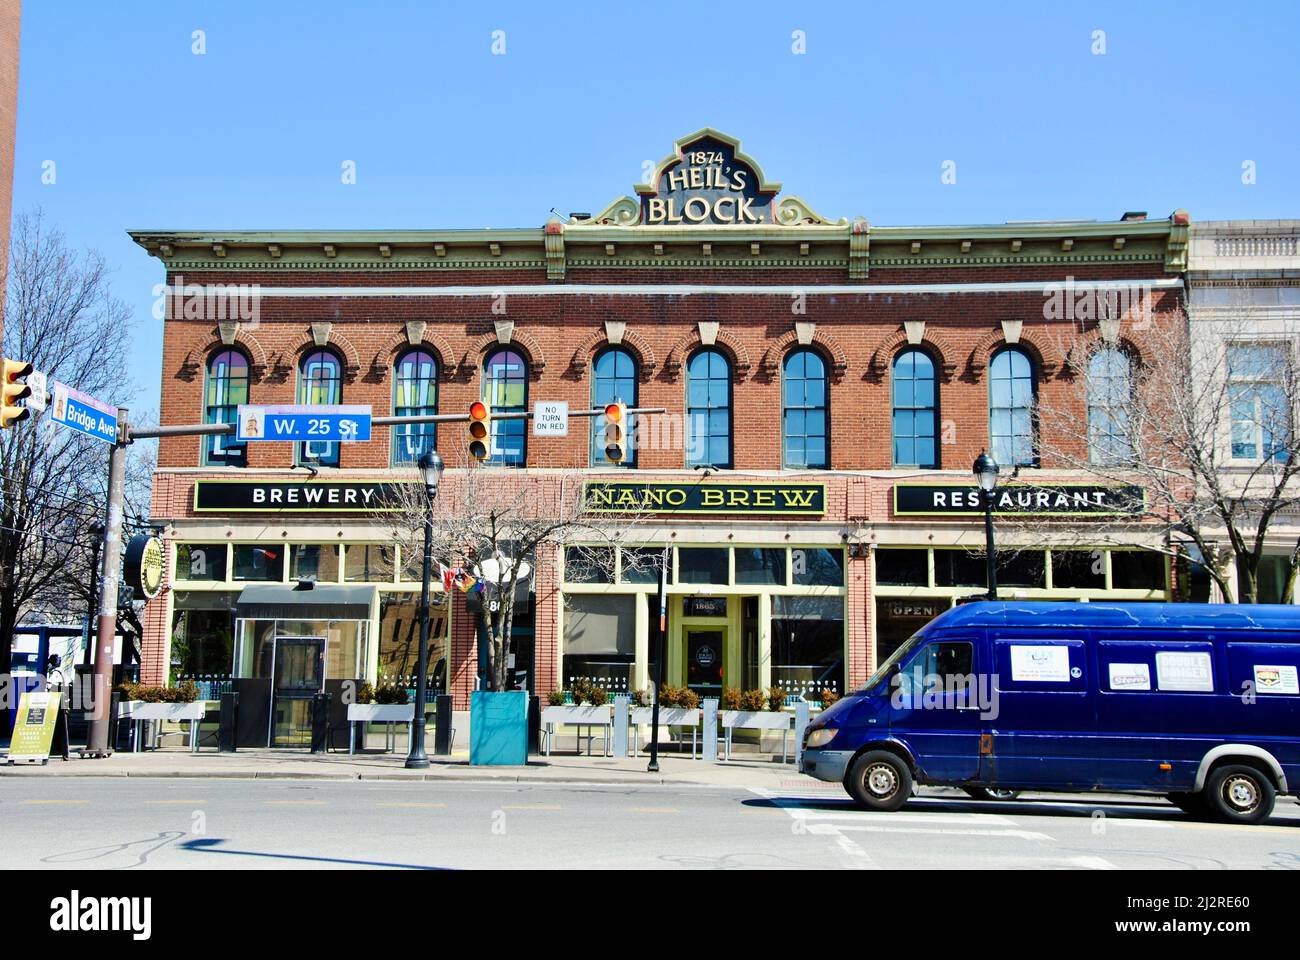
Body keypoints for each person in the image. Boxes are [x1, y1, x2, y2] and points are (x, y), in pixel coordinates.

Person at [45, 654, 72, 761]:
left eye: (60, 659)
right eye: (57, 660)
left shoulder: (57, 672)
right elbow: (50, 685)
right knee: (60, 726)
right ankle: (60, 750)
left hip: (58, 701)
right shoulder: (53, 672)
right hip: (57, 700)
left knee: (58, 726)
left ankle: (57, 749)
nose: (59, 661)